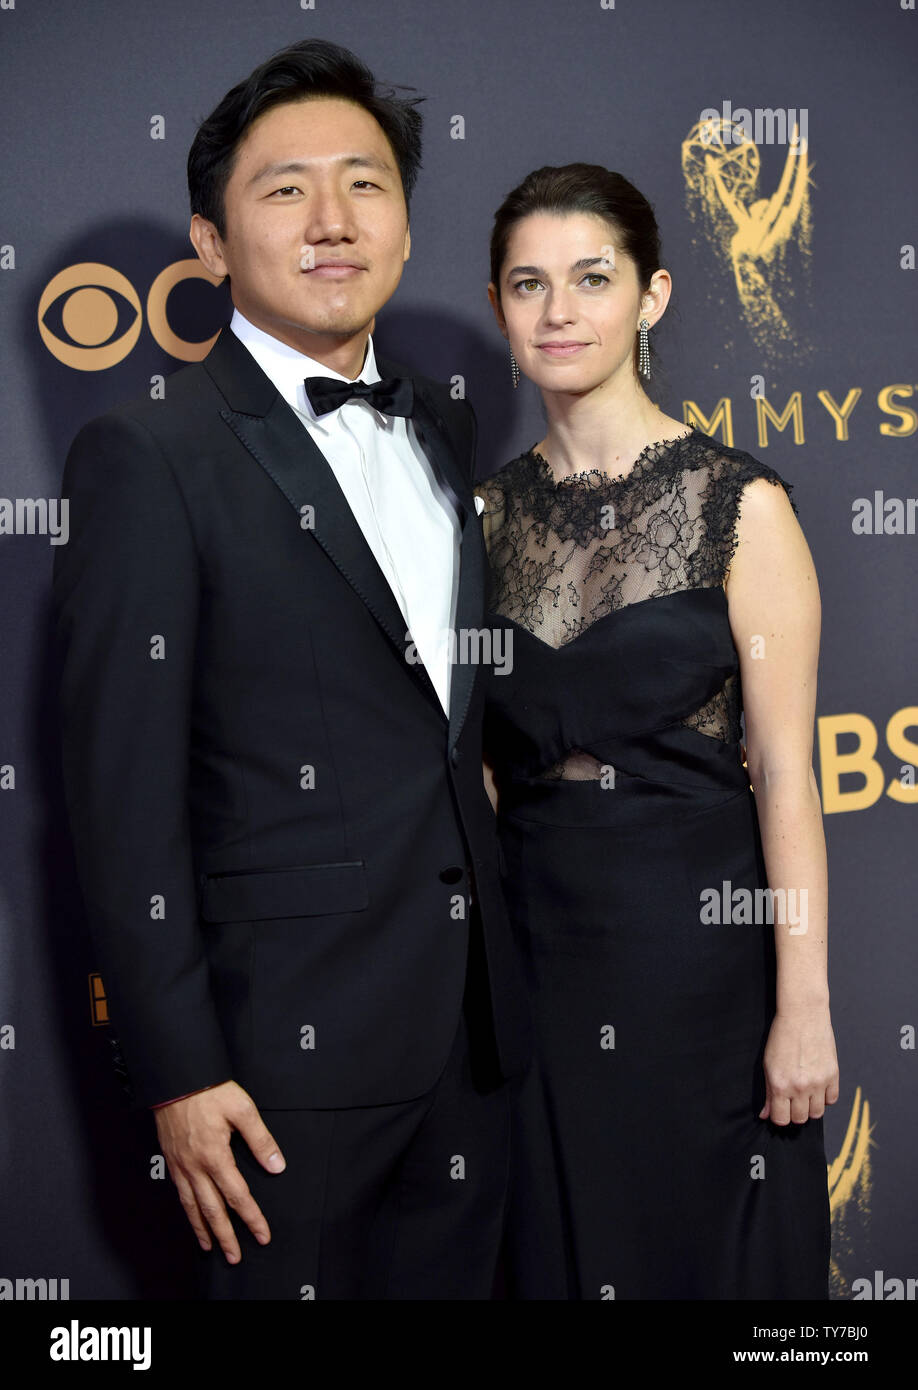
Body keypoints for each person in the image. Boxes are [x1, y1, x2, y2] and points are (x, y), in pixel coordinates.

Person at [52, 38, 531, 1300]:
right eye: (285, 190)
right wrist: (179, 1067)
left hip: (480, 1040)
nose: (333, 221)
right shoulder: (146, 454)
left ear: (409, 227)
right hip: (276, 1068)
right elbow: (117, 794)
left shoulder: (445, 425)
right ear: (209, 244)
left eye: (366, 185)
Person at [474, 163, 838, 1299]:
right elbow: (477, 777)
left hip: (703, 977)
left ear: (654, 295)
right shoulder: (477, 521)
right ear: (499, 309)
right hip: (537, 975)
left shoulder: (743, 507)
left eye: (592, 278)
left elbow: (785, 774)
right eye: (528, 284)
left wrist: (805, 1008)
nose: (559, 311)